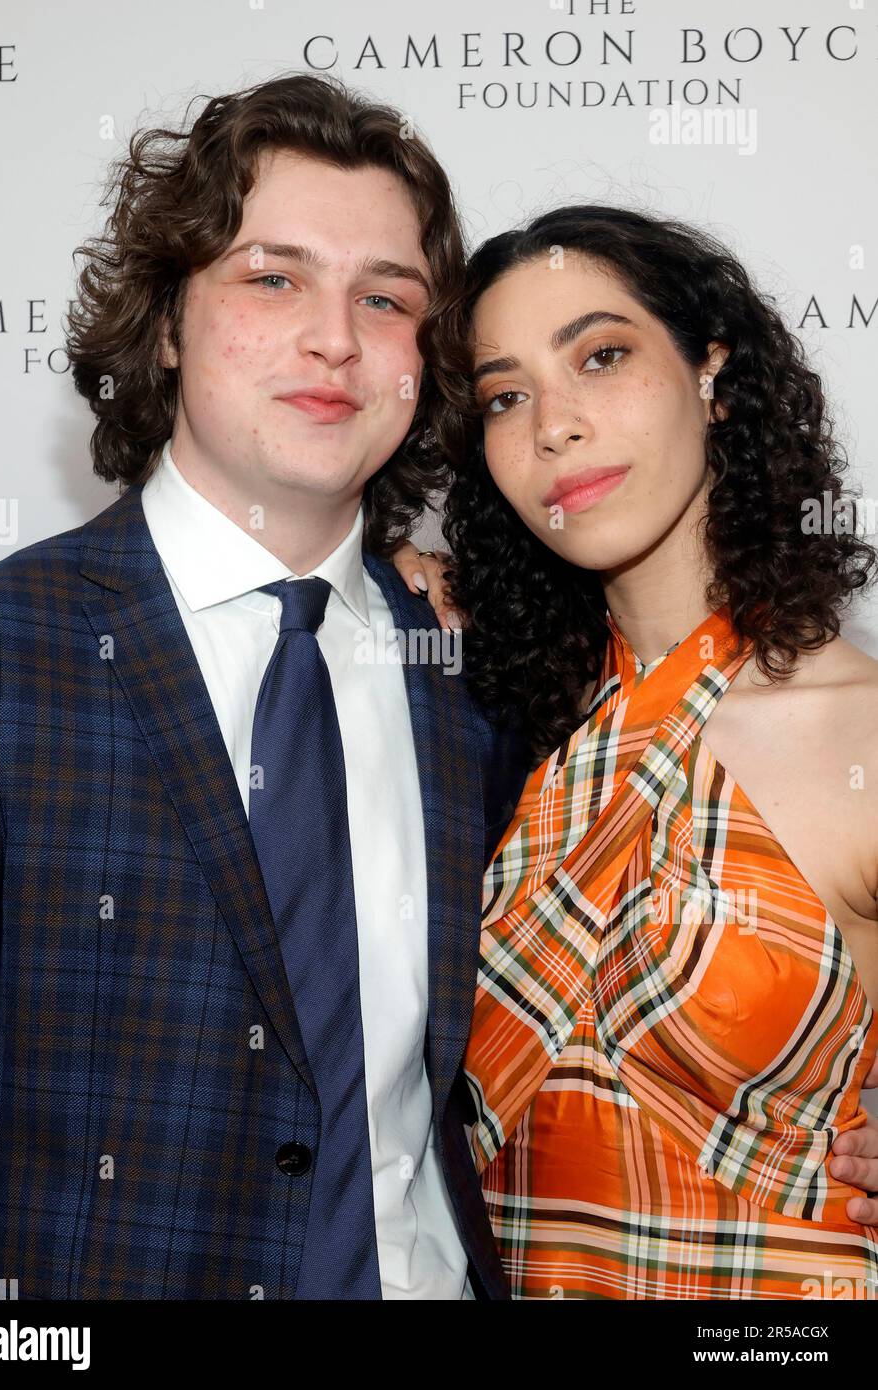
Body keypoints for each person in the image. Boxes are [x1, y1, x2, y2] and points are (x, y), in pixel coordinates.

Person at [0, 74, 528, 1301]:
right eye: (275, 279)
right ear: (166, 323)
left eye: (387, 299)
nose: (335, 339)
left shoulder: (481, 676)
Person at [392, 204, 878, 1297]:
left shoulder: (861, 733)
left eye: (602, 356)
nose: (553, 427)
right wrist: (365, 586)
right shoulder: (482, 722)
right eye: (507, 397)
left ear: (713, 370)